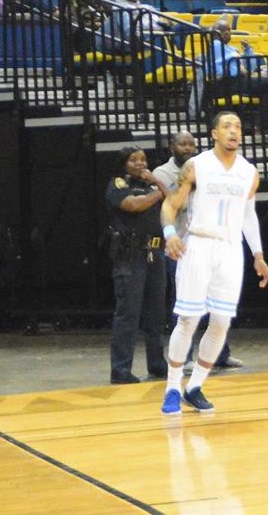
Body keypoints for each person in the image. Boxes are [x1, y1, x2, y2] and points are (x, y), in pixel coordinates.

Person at [159, 111, 268, 414]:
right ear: (214, 134)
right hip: (198, 243)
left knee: (221, 321)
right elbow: (170, 204)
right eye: (227, 126)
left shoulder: (250, 172)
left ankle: (194, 386)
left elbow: (248, 215)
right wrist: (170, 233)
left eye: (238, 126)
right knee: (188, 319)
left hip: (231, 249)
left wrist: (258, 254)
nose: (234, 131)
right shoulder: (197, 165)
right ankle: (172, 386)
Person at [152, 131, 241, 373]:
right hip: (179, 245)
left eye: (191, 144)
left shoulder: (203, 169)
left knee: (218, 301)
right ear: (172, 146)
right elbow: (170, 204)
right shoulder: (162, 173)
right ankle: (186, 357)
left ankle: (221, 354)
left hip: (209, 245)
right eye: (182, 144)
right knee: (185, 305)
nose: (188, 148)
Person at [106, 146, 168, 384]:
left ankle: (157, 363)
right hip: (130, 255)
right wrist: (158, 193)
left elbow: (174, 200)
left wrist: (157, 182)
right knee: (128, 314)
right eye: (134, 160)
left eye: (143, 159)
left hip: (155, 252)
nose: (140, 164)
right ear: (124, 164)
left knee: (156, 313)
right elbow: (133, 205)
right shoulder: (118, 184)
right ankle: (121, 370)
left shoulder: (151, 184)